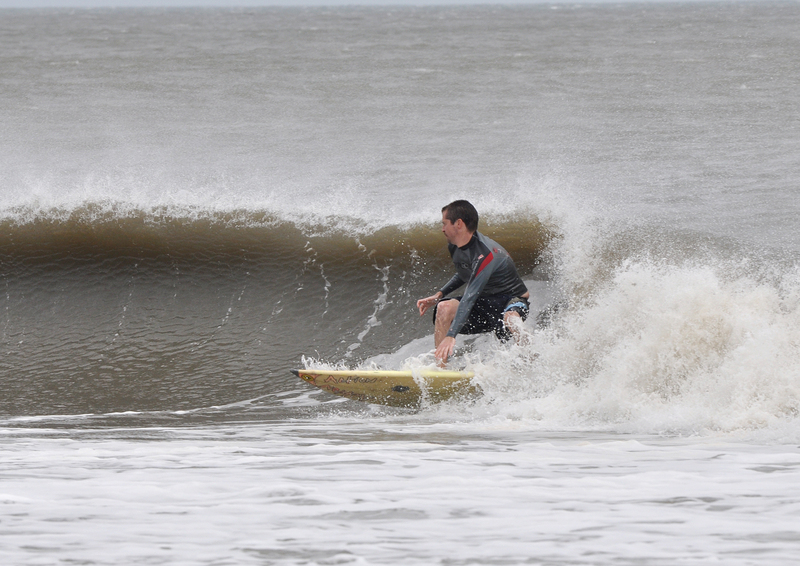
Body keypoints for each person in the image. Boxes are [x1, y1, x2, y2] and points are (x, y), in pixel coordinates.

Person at [416, 200, 530, 364]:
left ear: (459, 224)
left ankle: (530, 359)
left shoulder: (485, 253)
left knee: (511, 319)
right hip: (484, 302)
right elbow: (464, 274)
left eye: (445, 224)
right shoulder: (455, 246)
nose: (442, 229)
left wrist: (451, 335)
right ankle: (440, 370)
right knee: (443, 307)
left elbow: (470, 295)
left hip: (510, 301)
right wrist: (440, 294)